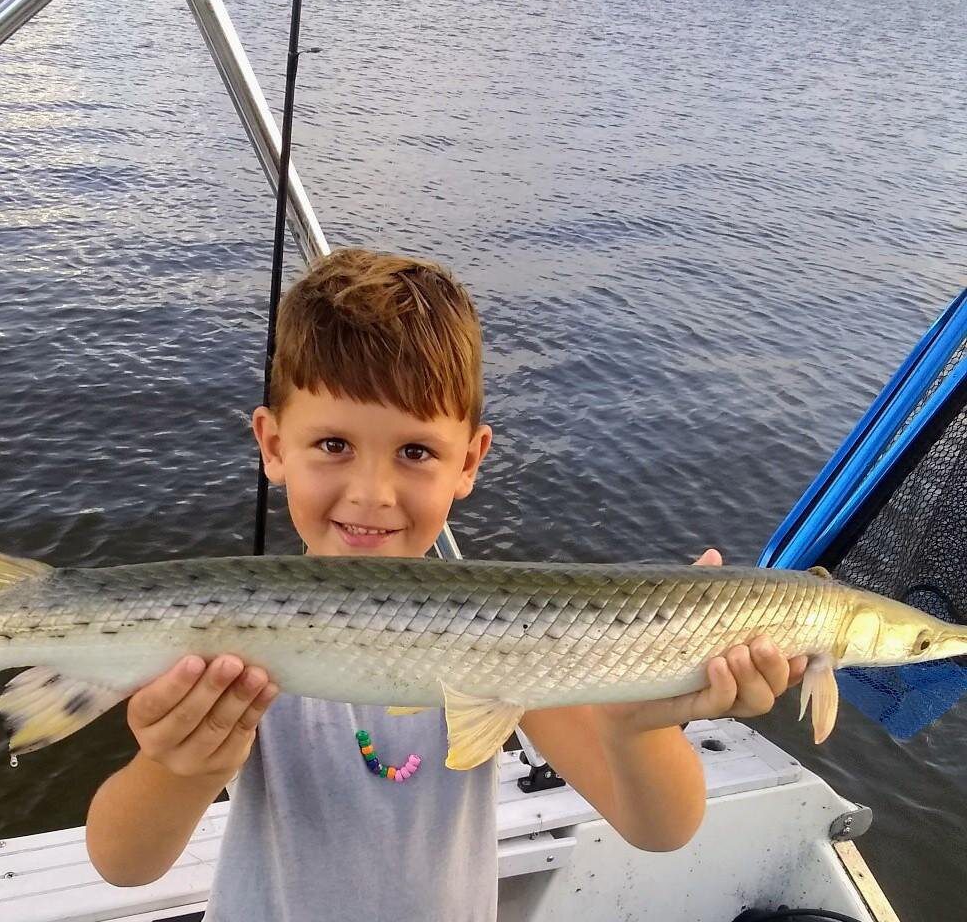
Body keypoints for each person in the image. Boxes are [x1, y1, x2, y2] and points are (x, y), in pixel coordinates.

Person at [85, 248, 806, 920]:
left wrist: (633, 716)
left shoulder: (514, 632)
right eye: (334, 445)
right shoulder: (232, 631)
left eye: (415, 451)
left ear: (470, 460)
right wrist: (175, 766)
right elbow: (123, 863)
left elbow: (660, 829)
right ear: (274, 446)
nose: (372, 492)